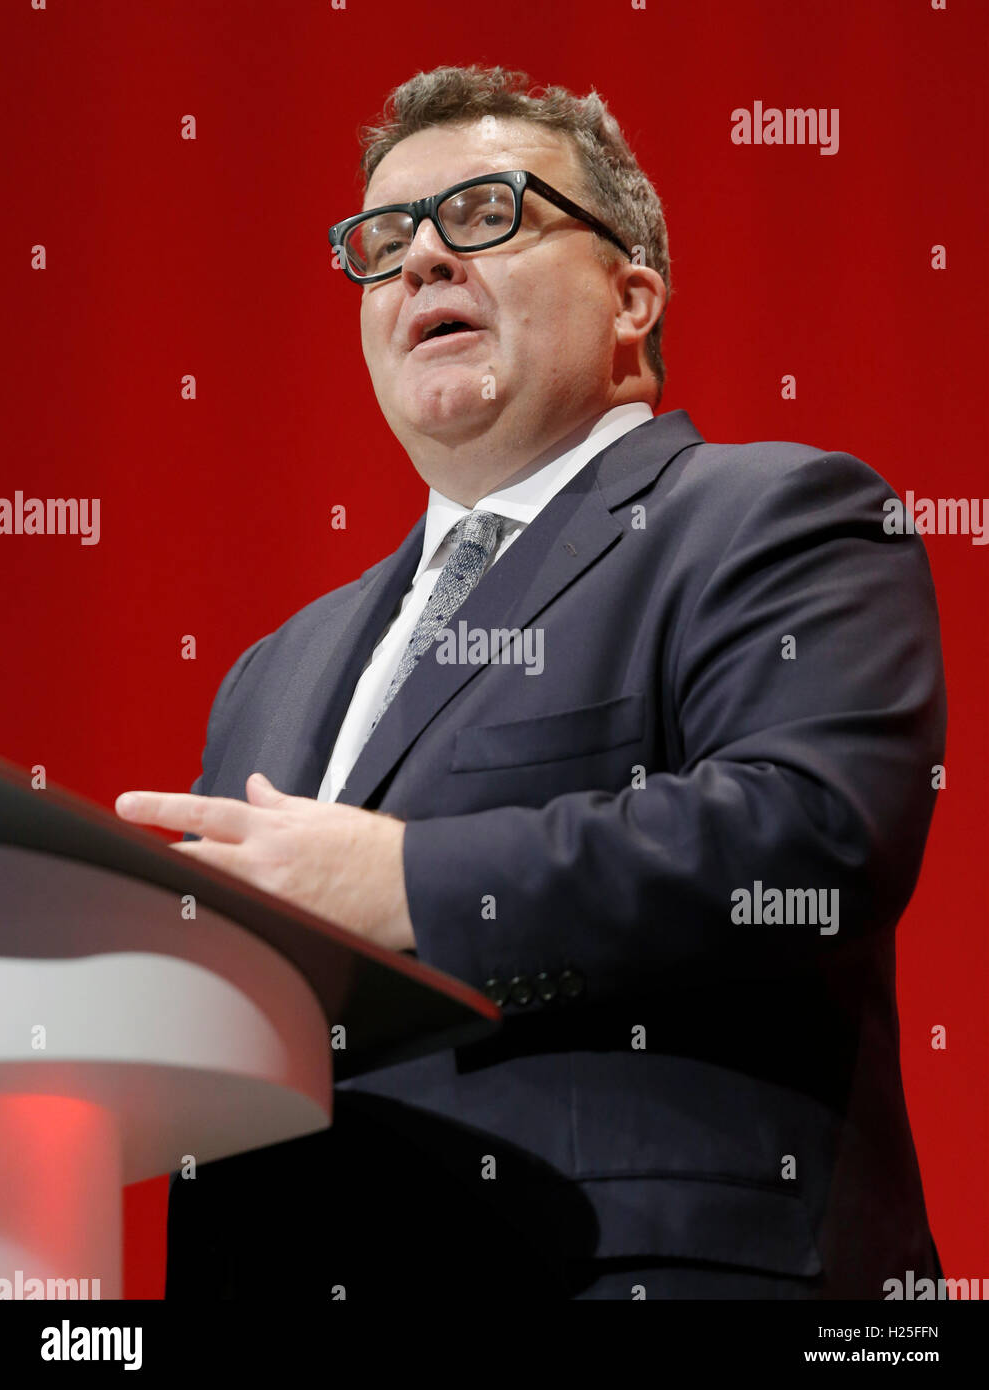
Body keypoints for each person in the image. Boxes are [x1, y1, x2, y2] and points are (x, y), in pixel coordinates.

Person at [116, 64, 946, 1301]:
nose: (420, 264)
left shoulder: (772, 515)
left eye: (484, 215)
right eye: (385, 238)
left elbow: (807, 840)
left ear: (632, 294)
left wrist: (399, 881)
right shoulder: (273, 669)